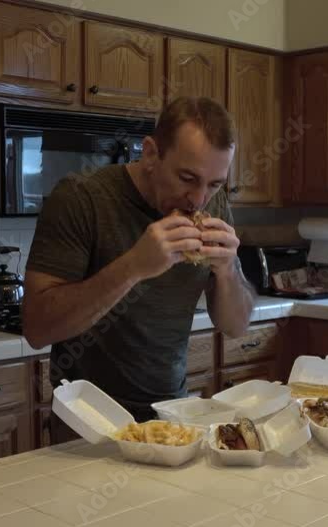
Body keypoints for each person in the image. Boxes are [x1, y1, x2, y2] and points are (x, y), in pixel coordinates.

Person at [23, 96, 256, 431]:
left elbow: (236, 326)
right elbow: (37, 329)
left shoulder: (214, 205)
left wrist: (227, 270)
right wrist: (133, 266)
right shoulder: (81, 198)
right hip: (88, 426)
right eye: (187, 178)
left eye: (215, 184)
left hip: (171, 417)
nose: (199, 199)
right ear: (150, 154)